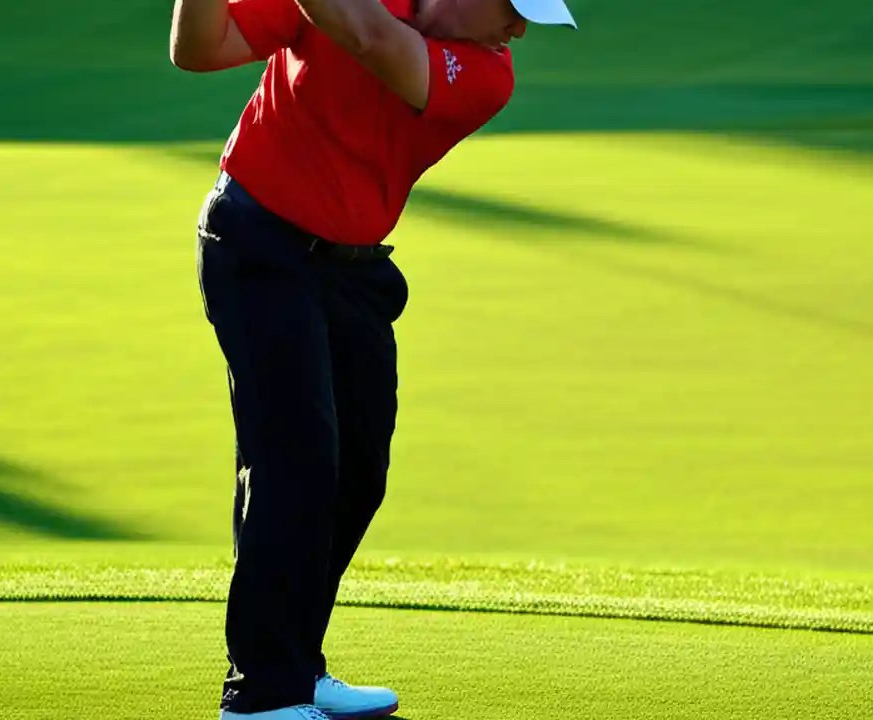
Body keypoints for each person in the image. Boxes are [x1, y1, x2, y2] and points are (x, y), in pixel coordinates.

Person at [168, 0, 576, 717]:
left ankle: (294, 661)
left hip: (351, 270)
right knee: (297, 458)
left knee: (358, 469)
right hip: (256, 241)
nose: (519, 30)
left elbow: (367, 37)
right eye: (515, 9)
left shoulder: (487, 74)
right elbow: (197, 47)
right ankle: (262, 693)